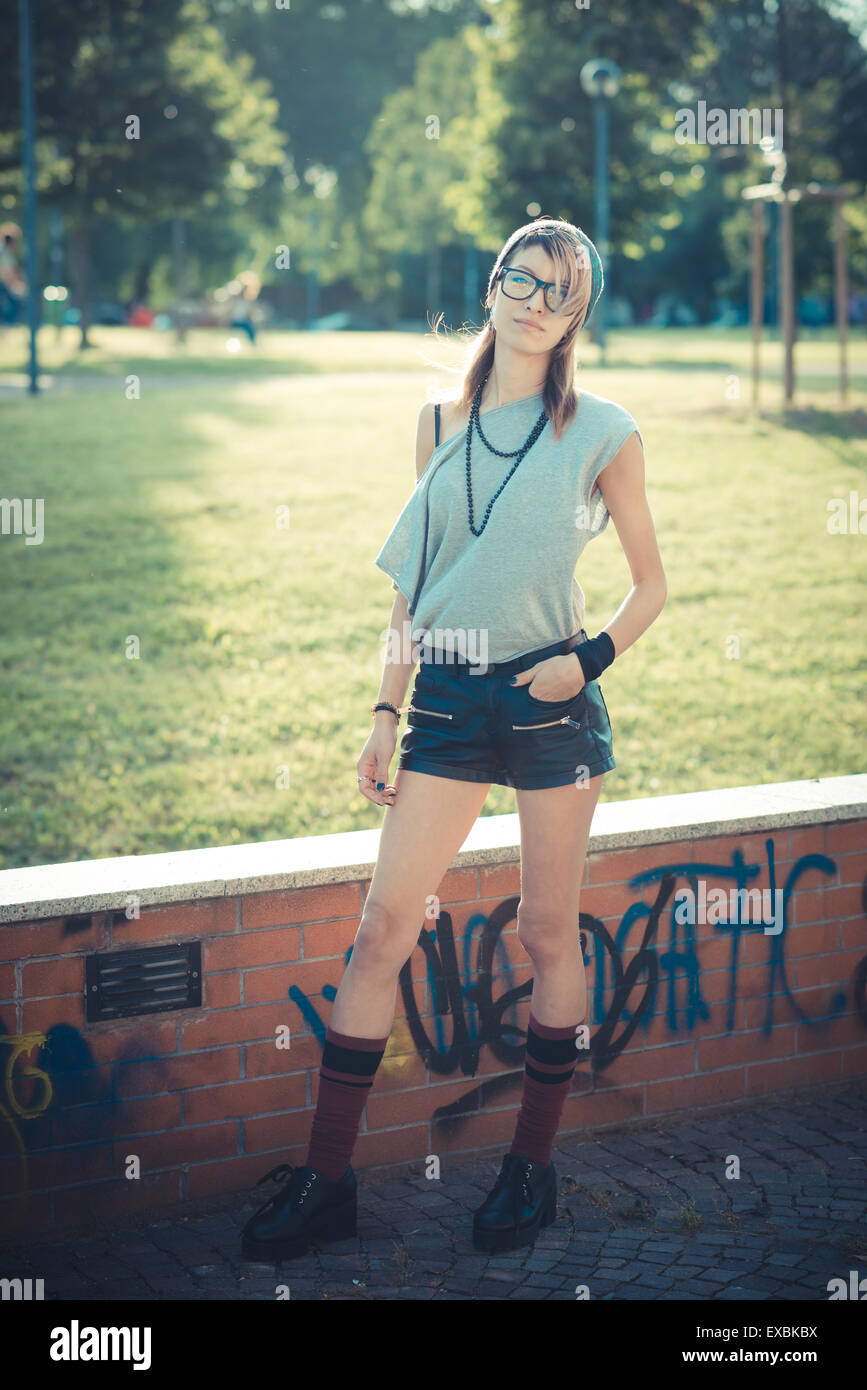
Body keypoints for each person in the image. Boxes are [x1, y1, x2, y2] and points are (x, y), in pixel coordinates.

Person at [241, 217, 667, 1261]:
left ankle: (530, 1169)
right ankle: (327, 1179)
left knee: (547, 933)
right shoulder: (436, 422)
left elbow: (651, 585)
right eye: (524, 279)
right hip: (443, 699)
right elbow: (414, 587)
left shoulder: (604, 430)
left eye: (561, 292)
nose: (537, 303)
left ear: (576, 317)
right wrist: (384, 713)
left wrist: (585, 663)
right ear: (493, 284)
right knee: (382, 927)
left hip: (550, 697)